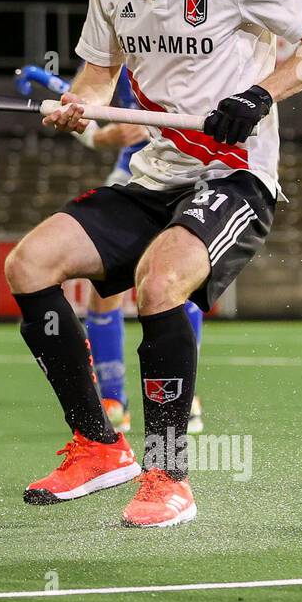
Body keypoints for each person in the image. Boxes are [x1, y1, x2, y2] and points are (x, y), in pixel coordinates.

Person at [4, 0, 302, 526]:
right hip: (154, 174)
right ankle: (99, 446)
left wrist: (260, 95)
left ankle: (167, 476)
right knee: (29, 264)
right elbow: (97, 75)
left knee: (158, 282)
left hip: (234, 176)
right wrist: (78, 106)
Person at [75, 66, 206, 438]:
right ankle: (113, 400)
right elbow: (85, 104)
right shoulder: (120, 41)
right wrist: (102, 137)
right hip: (132, 174)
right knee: (103, 283)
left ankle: (184, 394)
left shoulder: (201, 44)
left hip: (190, 170)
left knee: (177, 282)